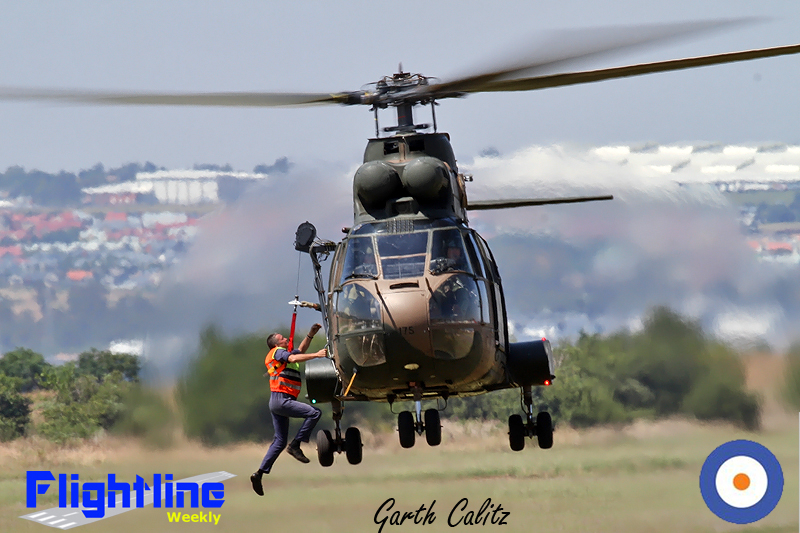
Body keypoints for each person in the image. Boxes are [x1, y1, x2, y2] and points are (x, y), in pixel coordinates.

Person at [250, 324, 328, 496]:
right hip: (281, 400)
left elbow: (299, 351)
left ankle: (259, 474)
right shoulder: (277, 352)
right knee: (314, 413)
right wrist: (317, 355)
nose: (286, 339)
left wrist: (311, 335)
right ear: (276, 344)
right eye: (282, 338)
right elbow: (293, 359)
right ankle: (296, 445)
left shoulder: (284, 356)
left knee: (279, 441)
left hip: (278, 402)